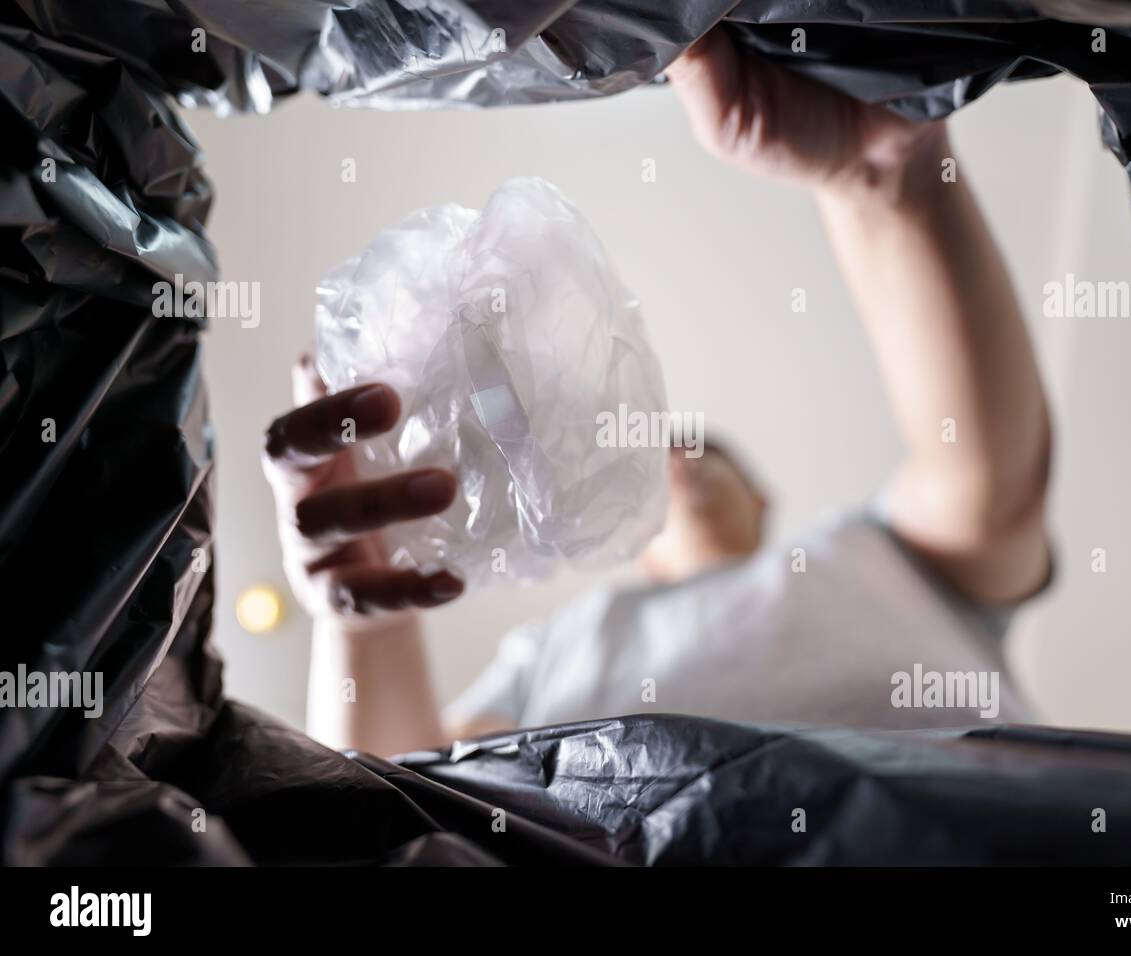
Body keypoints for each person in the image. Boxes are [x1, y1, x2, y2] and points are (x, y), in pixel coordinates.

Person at [262, 28, 1052, 755]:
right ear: (637, 556)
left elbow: (991, 481)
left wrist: (885, 176)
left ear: (765, 499)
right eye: (667, 449)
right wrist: (368, 621)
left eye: (705, 451)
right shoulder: (554, 651)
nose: (679, 455)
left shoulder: (881, 557)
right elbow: (401, 811)